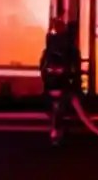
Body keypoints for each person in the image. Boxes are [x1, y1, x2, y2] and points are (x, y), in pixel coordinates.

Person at [39, 17, 81, 145]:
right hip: (61, 84)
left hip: (54, 84)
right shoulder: (69, 48)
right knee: (59, 107)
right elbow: (74, 66)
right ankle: (57, 128)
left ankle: (56, 129)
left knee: (56, 107)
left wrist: (46, 76)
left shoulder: (51, 47)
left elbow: (42, 66)